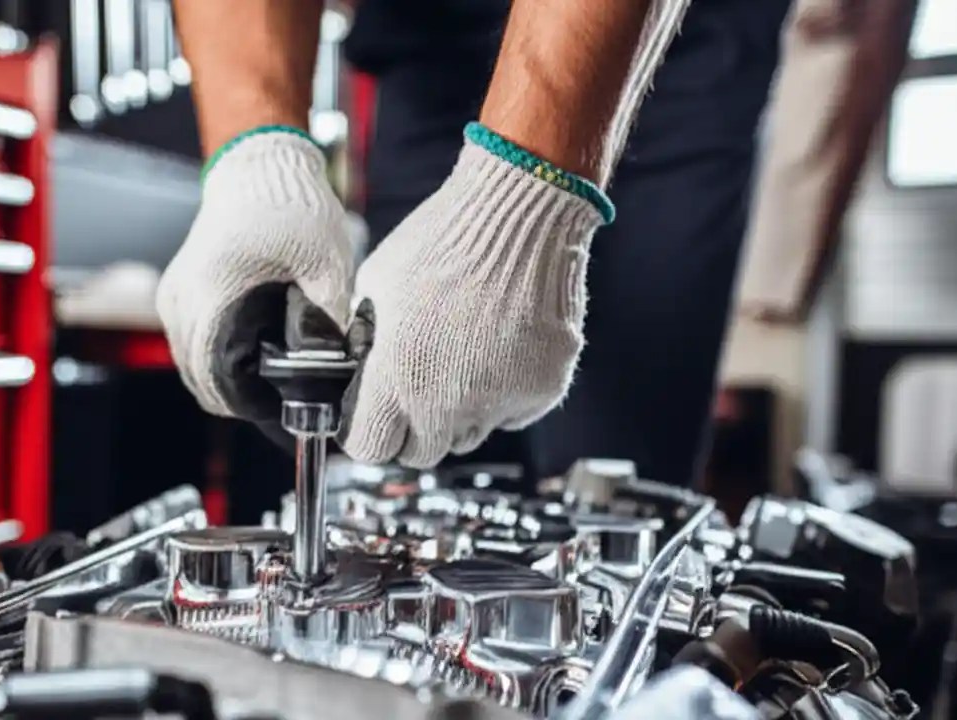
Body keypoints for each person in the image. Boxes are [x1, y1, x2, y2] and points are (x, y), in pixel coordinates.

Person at [156, 0, 793, 491]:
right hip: (427, 40)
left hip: (662, 48)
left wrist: (524, 203)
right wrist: (258, 162)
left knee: (609, 483)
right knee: (415, 450)